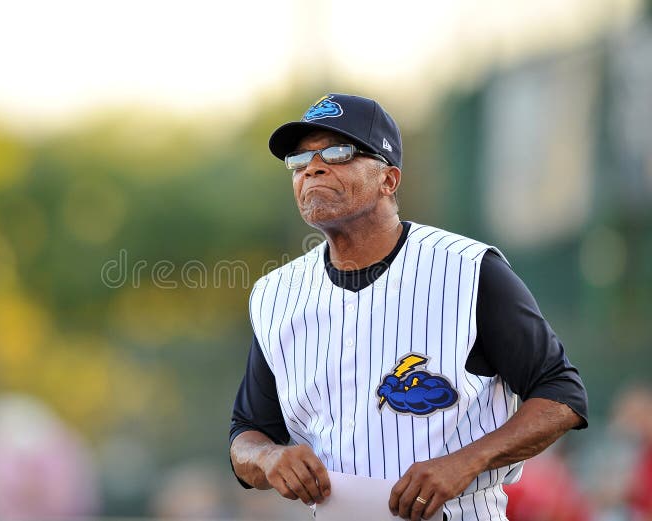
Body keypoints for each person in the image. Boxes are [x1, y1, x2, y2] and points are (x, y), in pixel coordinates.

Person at [229, 93, 588, 521]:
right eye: (299, 159)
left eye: (338, 152)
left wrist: (466, 460)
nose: (313, 167)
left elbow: (561, 394)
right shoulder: (276, 294)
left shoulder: (469, 270)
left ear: (389, 179)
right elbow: (246, 435)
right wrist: (268, 459)